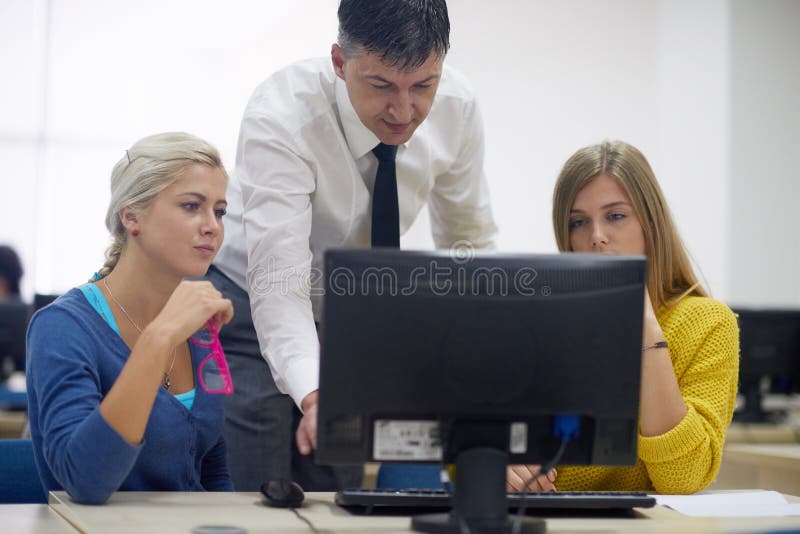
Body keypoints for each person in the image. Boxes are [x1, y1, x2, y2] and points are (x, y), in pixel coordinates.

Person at [210, 0, 498, 491]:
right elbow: (279, 280)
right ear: (340, 62)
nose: (403, 111)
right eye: (382, 85)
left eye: (423, 86)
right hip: (247, 306)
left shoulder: (458, 106)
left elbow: (467, 243)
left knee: (335, 492)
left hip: (350, 312)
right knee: (258, 490)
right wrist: (315, 395)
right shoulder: (282, 113)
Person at [507, 140, 739, 494]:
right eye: (578, 222)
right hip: (545, 516)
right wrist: (496, 461)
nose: (597, 237)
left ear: (651, 222)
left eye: (615, 216)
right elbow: (462, 443)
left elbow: (683, 478)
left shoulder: (708, 324)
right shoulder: (540, 320)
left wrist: (645, 326)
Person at [26, 132, 235, 504]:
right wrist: (159, 339)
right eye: (191, 206)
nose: (212, 226)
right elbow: (84, 481)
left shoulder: (199, 325)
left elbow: (212, 468)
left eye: (219, 211)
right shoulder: (61, 327)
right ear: (131, 215)